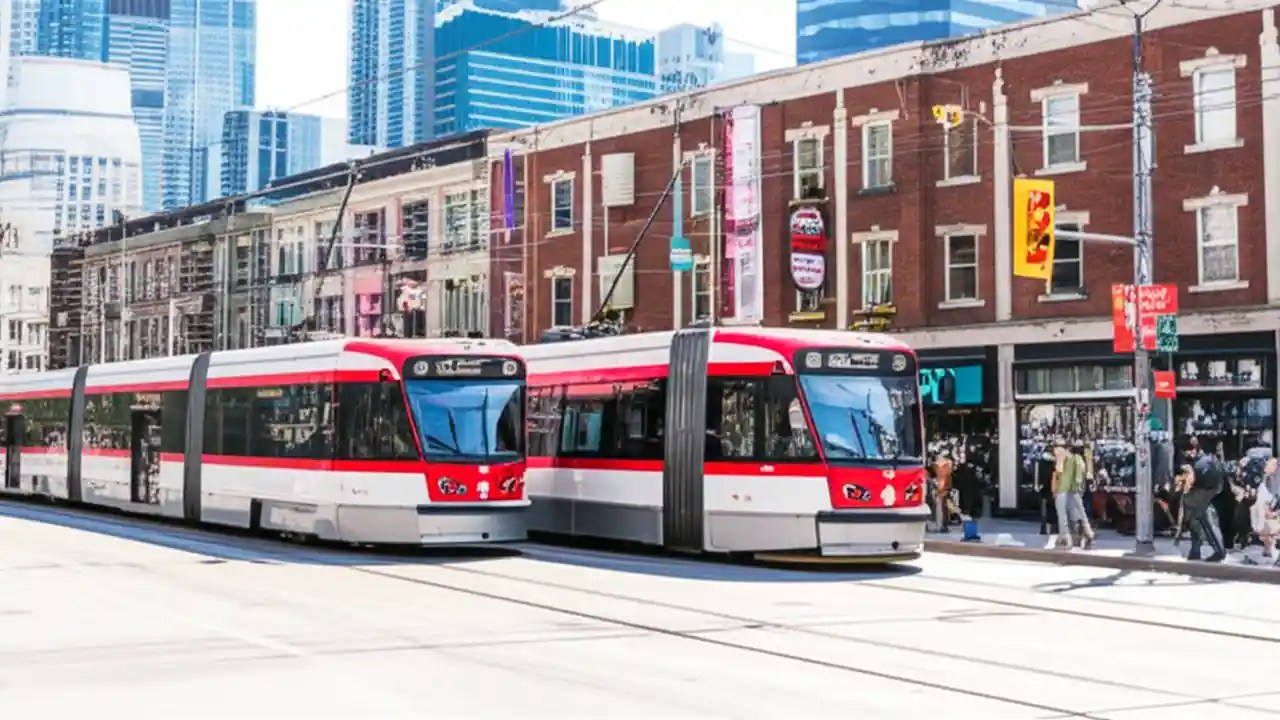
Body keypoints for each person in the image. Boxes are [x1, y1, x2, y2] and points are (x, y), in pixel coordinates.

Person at [1186, 447, 1228, 562]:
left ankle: (1218, 550)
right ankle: (1196, 550)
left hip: (1205, 489)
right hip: (1208, 488)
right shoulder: (1207, 459)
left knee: (1202, 519)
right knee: (1196, 518)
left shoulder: (1202, 462)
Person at [1053, 441, 1095, 549]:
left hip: (1062, 488)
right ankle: (1088, 532)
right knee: (1081, 512)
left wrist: (1058, 460)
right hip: (1074, 489)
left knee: (1062, 513)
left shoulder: (1061, 454)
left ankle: (1065, 537)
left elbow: (1059, 469)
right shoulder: (1076, 459)